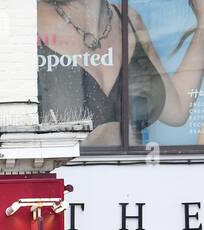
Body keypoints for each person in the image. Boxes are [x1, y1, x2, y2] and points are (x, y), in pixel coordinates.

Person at [37, 1, 204, 146]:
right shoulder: (30, 21)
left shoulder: (131, 21)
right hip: (64, 179)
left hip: (134, 178)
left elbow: (177, 111)